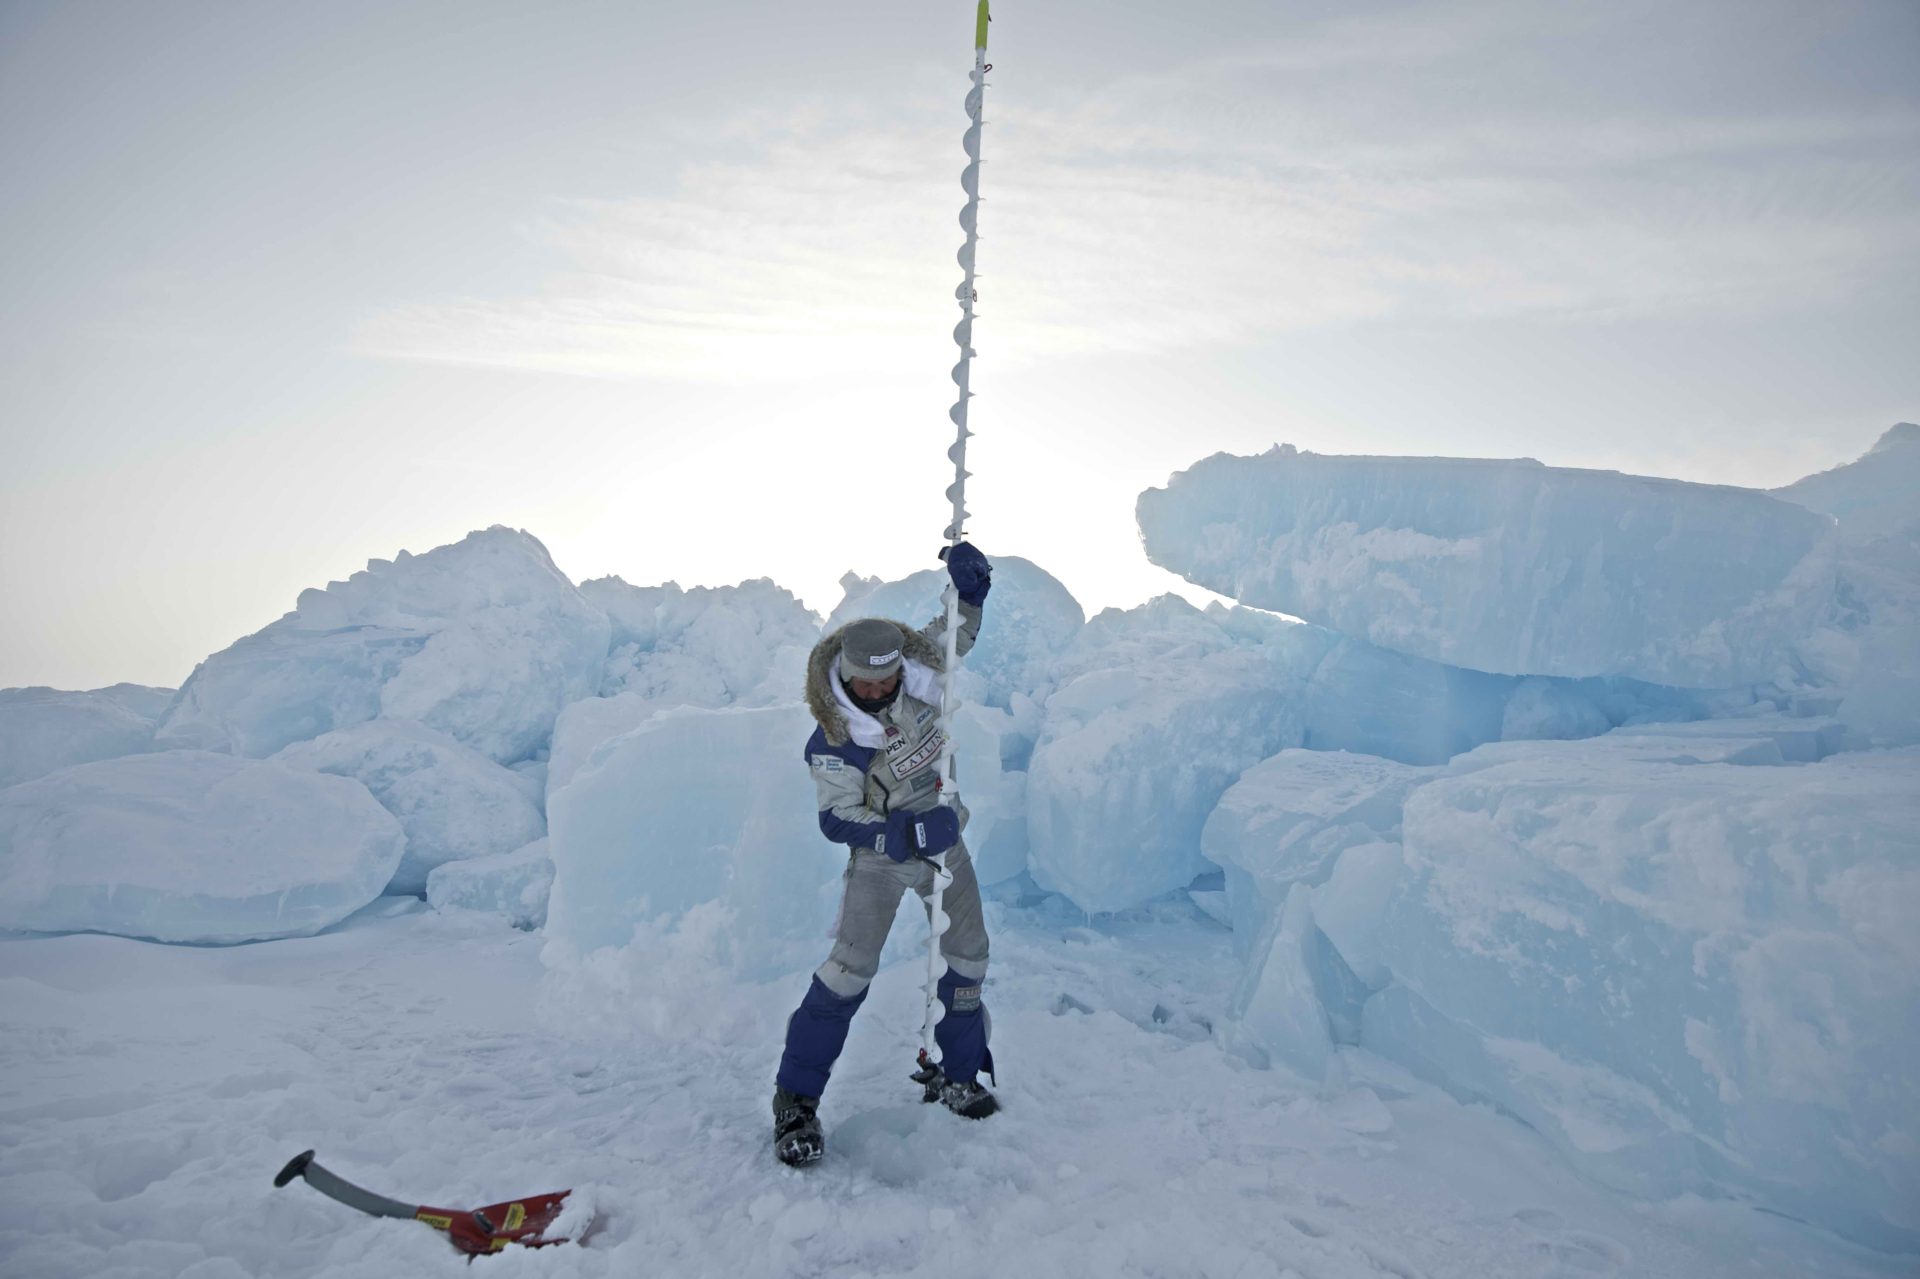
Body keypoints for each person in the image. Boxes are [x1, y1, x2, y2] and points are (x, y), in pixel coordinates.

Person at [772, 542, 996, 1166]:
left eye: (885, 677)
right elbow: (836, 818)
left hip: (945, 844)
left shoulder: (921, 681)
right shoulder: (834, 739)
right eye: (862, 679)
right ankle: (795, 1101)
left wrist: (971, 594)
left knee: (969, 957)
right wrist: (896, 835)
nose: (874, 688)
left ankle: (957, 1072)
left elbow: (954, 635)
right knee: (847, 972)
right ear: (843, 671)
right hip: (881, 855)